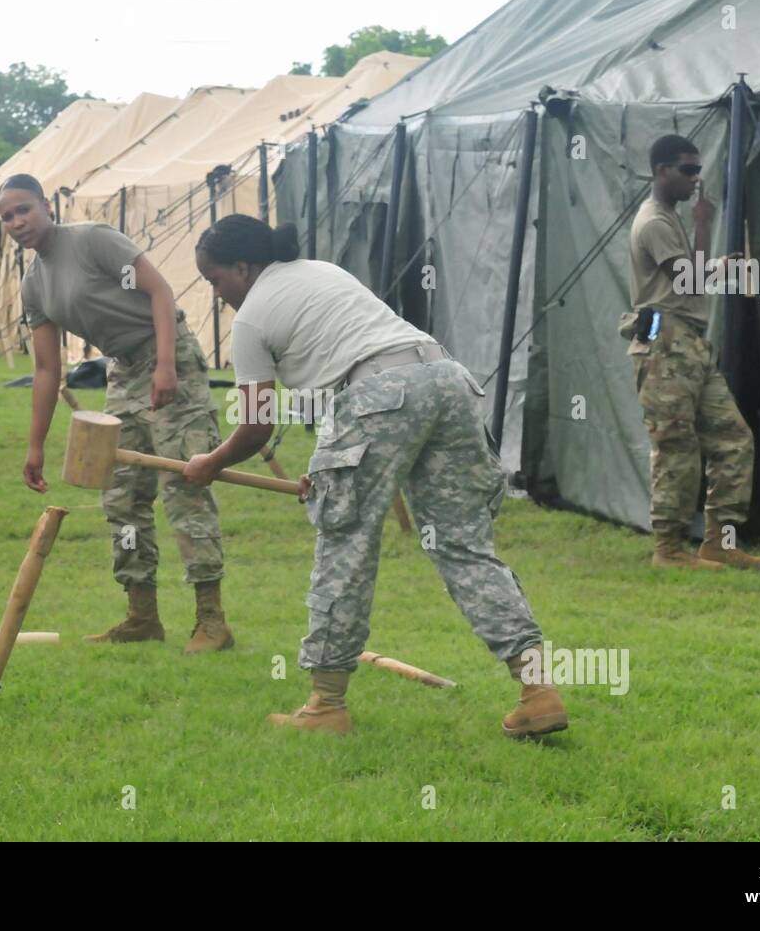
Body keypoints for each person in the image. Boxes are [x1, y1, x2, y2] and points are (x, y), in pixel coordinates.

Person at [182, 214, 568, 738]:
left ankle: (325, 707)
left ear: (243, 268)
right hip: (446, 380)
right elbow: (336, 376)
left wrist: (209, 463)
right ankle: (538, 690)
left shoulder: (251, 319)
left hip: (377, 398)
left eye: (216, 280)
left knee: (345, 549)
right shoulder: (319, 271)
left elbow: (254, 426)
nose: (217, 293)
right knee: (465, 547)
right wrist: (328, 473)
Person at [1, 173, 234, 652]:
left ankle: (212, 621)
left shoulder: (91, 241)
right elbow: (47, 370)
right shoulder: (34, 285)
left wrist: (167, 366)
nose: (17, 222)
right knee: (122, 497)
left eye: (24, 209)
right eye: (7, 216)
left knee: (185, 485)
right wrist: (35, 445)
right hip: (123, 372)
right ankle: (141, 615)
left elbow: (161, 293)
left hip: (169, 356)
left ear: (47, 205)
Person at [623, 135, 760, 570]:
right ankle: (668, 550)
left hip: (689, 346)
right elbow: (689, 281)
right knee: (676, 448)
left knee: (733, 438)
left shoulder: (669, 218)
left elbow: (690, 274)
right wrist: (720, 264)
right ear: (661, 171)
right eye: (687, 170)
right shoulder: (653, 221)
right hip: (665, 349)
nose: (695, 178)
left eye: (697, 170)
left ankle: (718, 542)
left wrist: (703, 225)